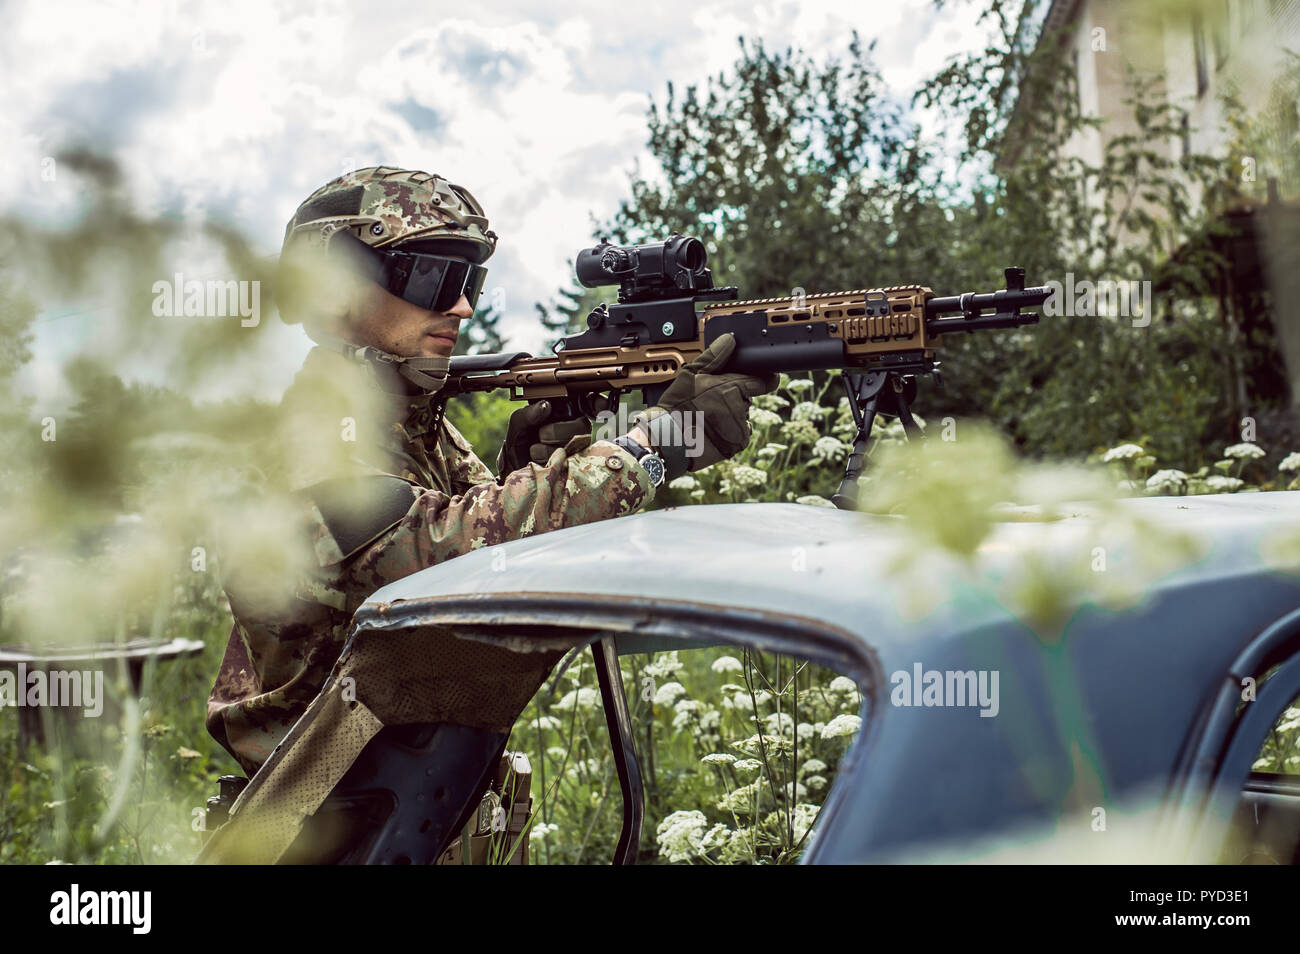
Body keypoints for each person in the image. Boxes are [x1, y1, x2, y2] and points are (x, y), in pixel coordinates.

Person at [204, 165, 776, 781]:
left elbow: (499, 572)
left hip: (418, 807)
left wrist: (528, 467)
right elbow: (437, 553)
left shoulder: (413, 427)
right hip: (320, 820)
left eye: (470, 278)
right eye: (433, 276)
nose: (463, 305)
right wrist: (652, 445)